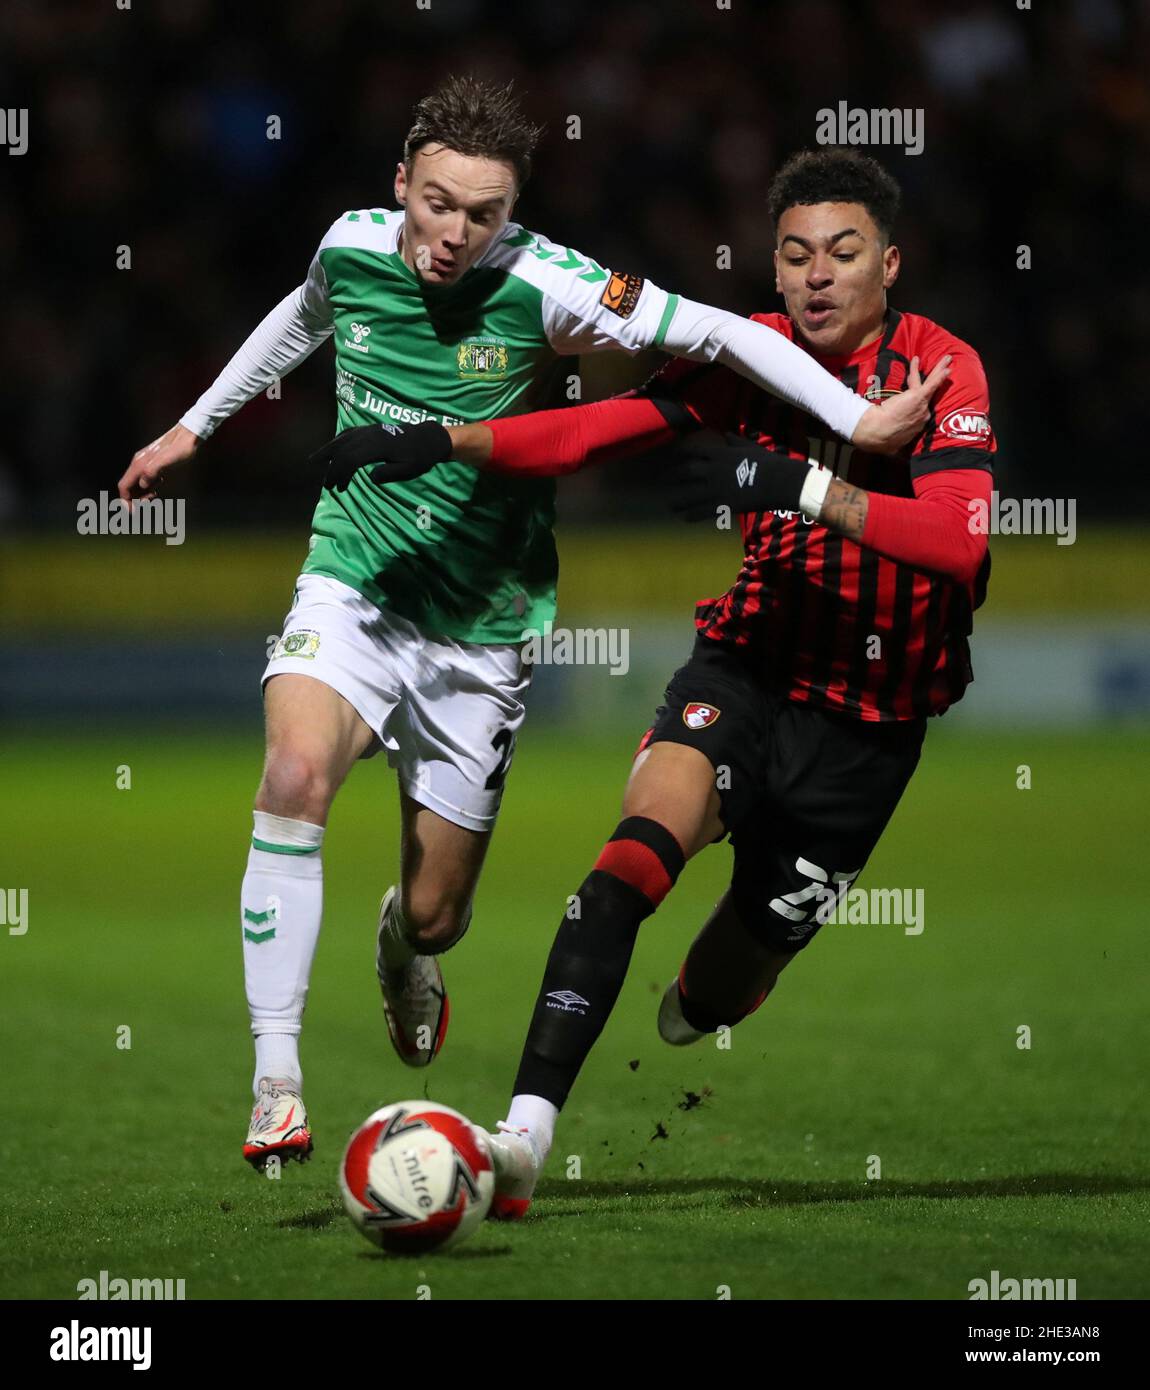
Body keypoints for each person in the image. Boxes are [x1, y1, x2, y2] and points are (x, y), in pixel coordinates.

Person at [118, 80, 938, 1172]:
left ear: (513, 215)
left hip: (482, 626)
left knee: (440, 910)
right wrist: (192, 426)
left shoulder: (552, 283)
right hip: (355, 580)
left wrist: (852, 418)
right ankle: (276, 1084)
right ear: (400, 184)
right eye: (438, 203)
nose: (454, 233)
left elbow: (714, 332)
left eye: (483, 213)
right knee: (297, 773)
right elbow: (301, 315)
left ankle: (404, 945)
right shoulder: (351, 245)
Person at [360, 147, 992, 1216]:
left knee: (718, 989)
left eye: (843, 251)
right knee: (627, 865)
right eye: (794, 255)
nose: (817, 275)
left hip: (870, 735)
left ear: (892, 263)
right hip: (745, 669)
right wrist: (445, 437)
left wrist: (794, 482)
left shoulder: (939, 370)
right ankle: (521, 1142)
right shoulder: (746, 357)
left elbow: (960, 548)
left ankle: (718, 983)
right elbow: (592, 432)